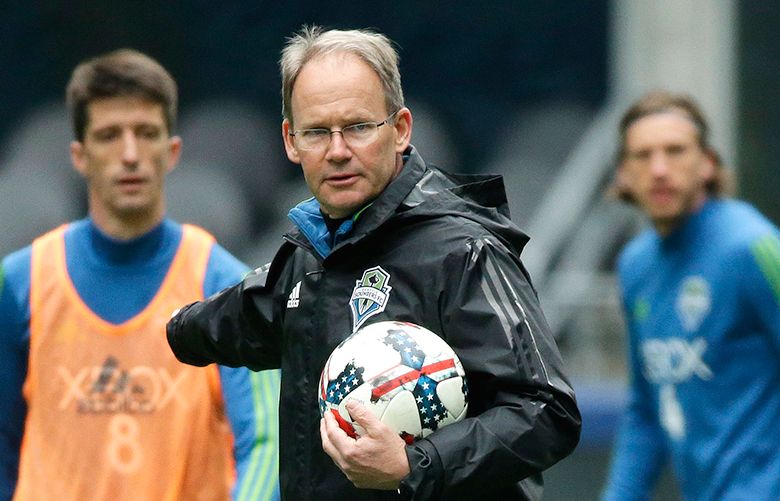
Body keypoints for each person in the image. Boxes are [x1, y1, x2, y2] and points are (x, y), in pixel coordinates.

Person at [166, 25, 581, 500]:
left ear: (400, 129)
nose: (338, 150)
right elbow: (221, 321)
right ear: (290, 140)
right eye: (318, 132)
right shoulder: (309, 258)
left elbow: (547, 411)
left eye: (359, 127)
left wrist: (414, 465)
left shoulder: (462, 250)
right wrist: (162, 324)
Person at [0, 49, 280, 501]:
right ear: (79, 155)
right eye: (109, 135)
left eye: (146, 133)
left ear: (172, 152)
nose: (130, 154)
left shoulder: (224, 285)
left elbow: (266, 442)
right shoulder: (18, 284)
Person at [602, 91, 780, 500]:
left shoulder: (753, 248)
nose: (660, 169)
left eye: (675, 151)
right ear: (623, 174)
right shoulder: (635, 265)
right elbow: (646, 411)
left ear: (708, 164)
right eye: (643, 156)